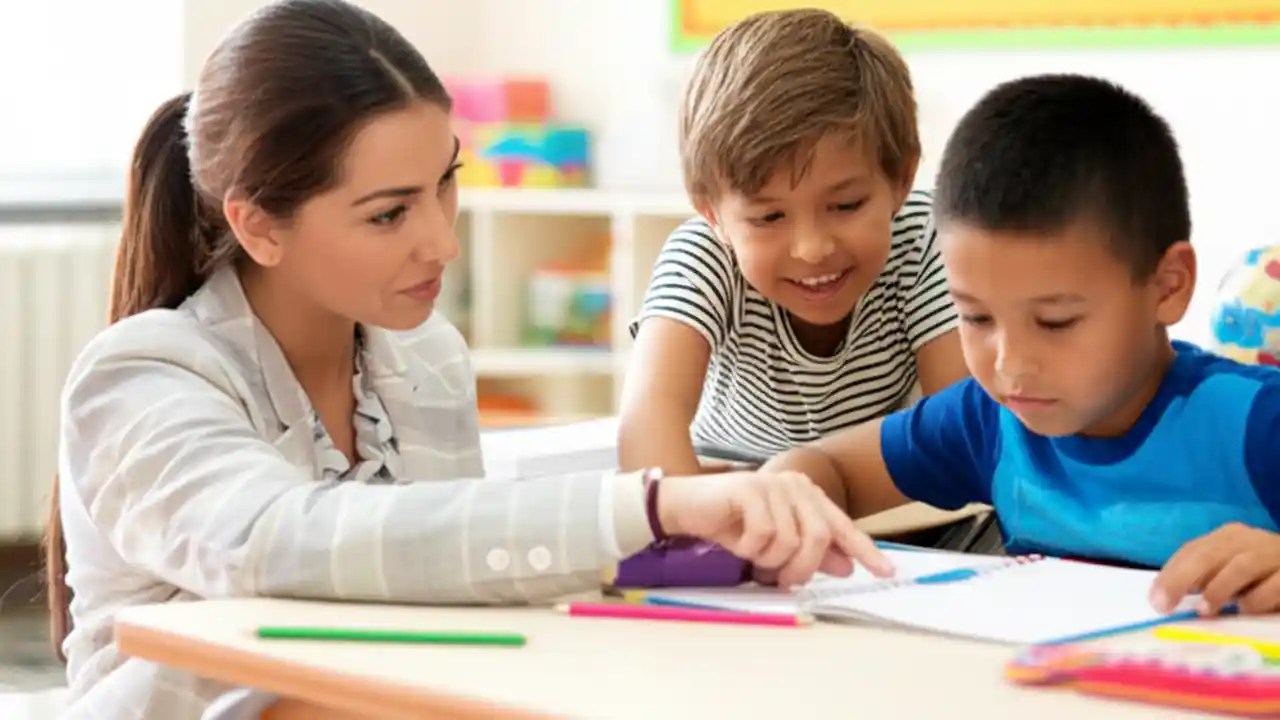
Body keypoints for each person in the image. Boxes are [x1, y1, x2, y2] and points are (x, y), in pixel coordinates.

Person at [47, 2, 887, 716]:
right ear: (259, 224)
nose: (443, 241)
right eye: (389, 214)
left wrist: (704, 547)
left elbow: (442, 571)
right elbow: (275, 543)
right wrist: (655, 505)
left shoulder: (424, 357)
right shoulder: (143, 375)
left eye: (445, 183)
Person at [765, 73, 1280, 617]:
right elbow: (829, 467)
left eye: (1055, 321)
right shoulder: (988, 422)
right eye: (975, 316)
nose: (1009, 363)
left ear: (1167, 286)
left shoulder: (1257, 423)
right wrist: (780, 500)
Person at [618, 8, 968, 476]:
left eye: (845, 206)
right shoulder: (701, 257)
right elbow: (646, 430)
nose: (811, 247)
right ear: (712, 213)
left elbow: (963, 428)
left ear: (901, 180)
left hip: (881, 496)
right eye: (769, 216)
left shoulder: (925, 238)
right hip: (729, 493)